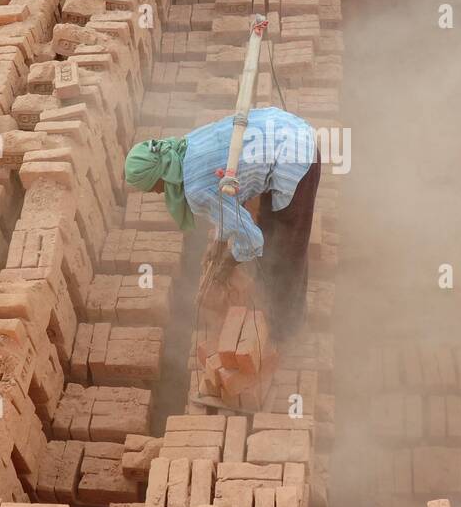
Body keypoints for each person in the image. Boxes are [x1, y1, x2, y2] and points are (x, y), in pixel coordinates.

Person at [124, 106, 320, 340]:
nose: (155, 193)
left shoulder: (196, 190)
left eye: (150, 187)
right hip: (285, 129)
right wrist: (219, 243)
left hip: (298, 158)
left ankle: (287, 330)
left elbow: (251, 238)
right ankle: (269, 298)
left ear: (157, 176)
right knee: (270, 231)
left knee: (287, 249)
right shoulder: (182, 148)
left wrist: (225, 267)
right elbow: (227, 200)